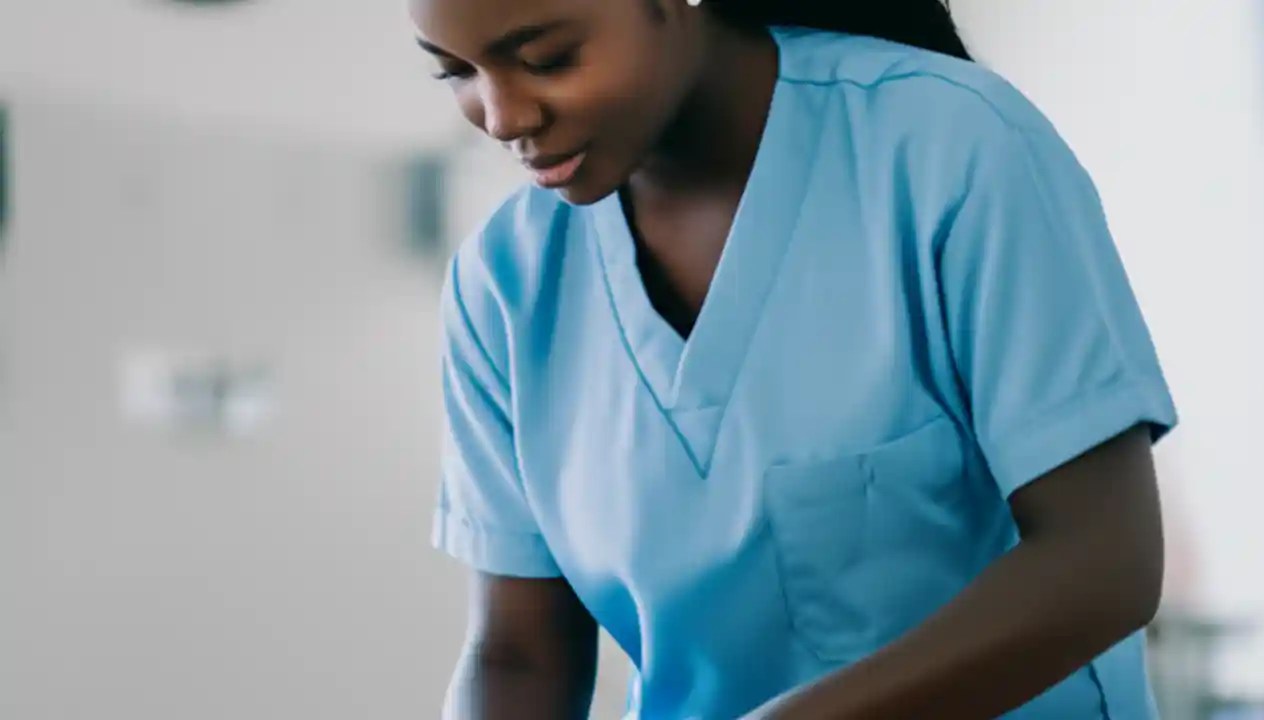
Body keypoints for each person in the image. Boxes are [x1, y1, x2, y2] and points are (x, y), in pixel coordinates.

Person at [410, 0, 1179, 717]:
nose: (503, 116)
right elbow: (517, 654)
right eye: (455, 73)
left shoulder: (949, 141)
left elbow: (1102, 569)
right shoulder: (506, 279)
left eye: (548, 57)